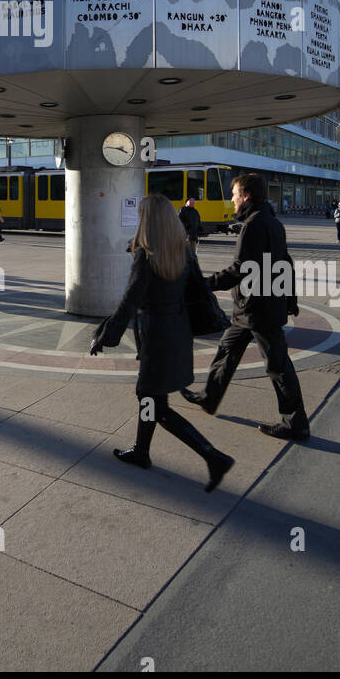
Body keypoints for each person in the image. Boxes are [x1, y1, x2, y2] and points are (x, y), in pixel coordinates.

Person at [89, 193, 234, 493]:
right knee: (153, 398)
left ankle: (213, 455)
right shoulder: (183, 249)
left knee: (153, 401)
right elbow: (199, 288)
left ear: (147, 219)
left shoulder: (147, 252)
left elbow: (130, 300)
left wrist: (105, 335)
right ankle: (141, 451)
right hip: (178, 331)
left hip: (157, 335)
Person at [181, 172, 310, 442]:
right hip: (253, 307)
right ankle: (209, 397)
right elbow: (285, 264)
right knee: (226, 351)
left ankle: (295, 423)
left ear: (246, 196)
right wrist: (291, 299)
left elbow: (242, 268)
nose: (232, 199)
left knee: (277, 365)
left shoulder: (254, 224)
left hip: (258, 308)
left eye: (234, 194)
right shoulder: (273, 223)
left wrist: (206, 284)